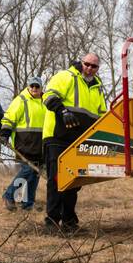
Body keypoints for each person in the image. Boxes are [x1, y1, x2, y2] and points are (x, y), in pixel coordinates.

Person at [42, 52, 107, 231]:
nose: (89, 68)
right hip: (57, 136)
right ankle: (52, 221)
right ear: (81, 62)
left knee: (73, 182)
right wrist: (62, 111)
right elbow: (48, 96)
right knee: (56, 179)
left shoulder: (97, 87)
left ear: (97, 68)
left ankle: (70, 221)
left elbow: (102, 115)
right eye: (87, 64)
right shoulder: (66, 76)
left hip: (80, 140)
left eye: (94, 66)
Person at [0, 77, 46, 211]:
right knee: (28, 170)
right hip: (24, 143)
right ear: (28, 87)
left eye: (37, 86)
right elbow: (9, 117)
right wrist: (4, 134)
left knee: (35, 175)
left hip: (40, 145)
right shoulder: (21, 100)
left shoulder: (45, 102)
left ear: (41, 88)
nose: (34, 89)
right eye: (32, 86)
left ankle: (28, 204)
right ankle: (8, 195)